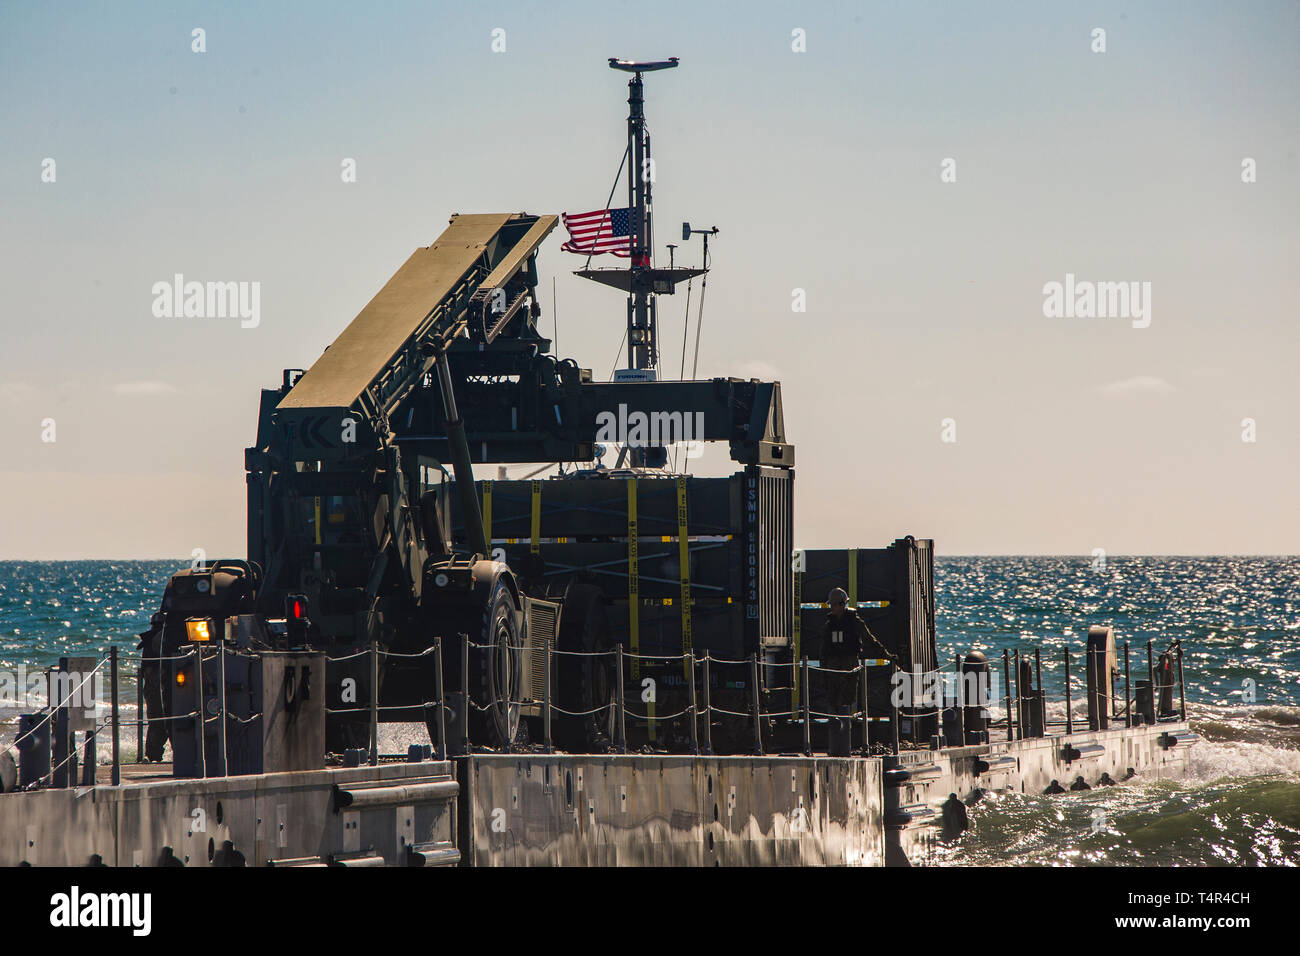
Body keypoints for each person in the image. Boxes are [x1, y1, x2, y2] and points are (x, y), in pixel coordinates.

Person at [820, 587, 897, 743]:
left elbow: (870, 640)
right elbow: (823, 650)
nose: (831, 608)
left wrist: (886, 656)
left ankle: (844, 742)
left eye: (833, 605)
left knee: (846, 702)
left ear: (841, 604)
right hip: (833, 668)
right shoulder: (829, 624)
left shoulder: (854, 622)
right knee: (832, 702)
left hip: (849, 666)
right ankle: (834, 744)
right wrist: (824, 672)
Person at [136, 610, 170, 762]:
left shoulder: (150, 639)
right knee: (160, 722)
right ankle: (153, 755)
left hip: (152, 687)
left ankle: (152, 755)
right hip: (158, 686)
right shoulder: (160, 638)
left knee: (156, 722)